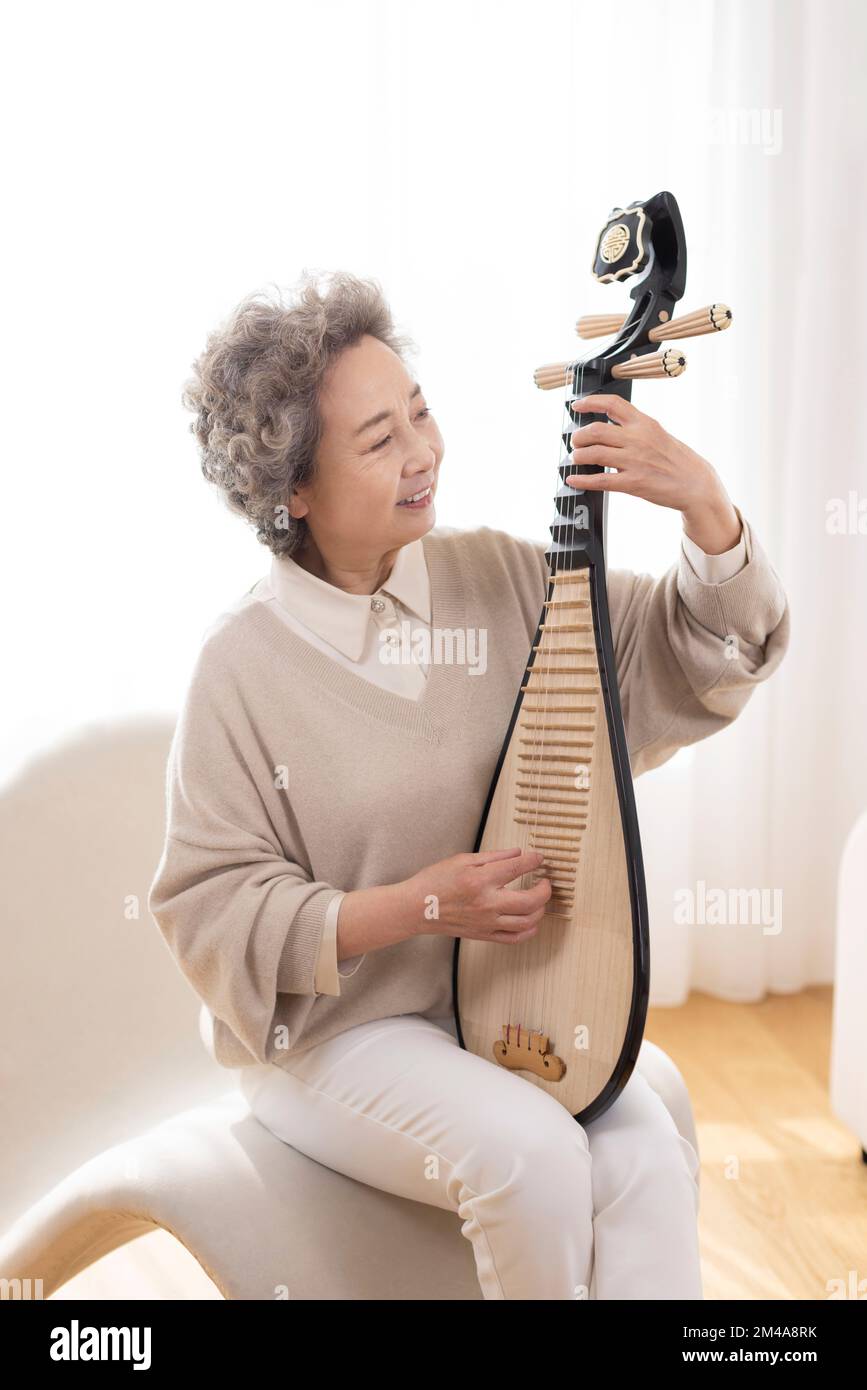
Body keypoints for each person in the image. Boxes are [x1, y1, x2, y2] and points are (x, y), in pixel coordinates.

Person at [148, 270, 790, 1300]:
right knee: (532, 1155)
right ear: (292, 491)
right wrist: (418, 905)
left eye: (421, 411)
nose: (423, 451)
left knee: (644, 1137)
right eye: (377, 439)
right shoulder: (243, 666)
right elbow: (210, 909)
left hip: (500, 1006)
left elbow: (687, 651)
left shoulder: (498, 578)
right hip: (334, 1035)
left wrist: (706, 510)